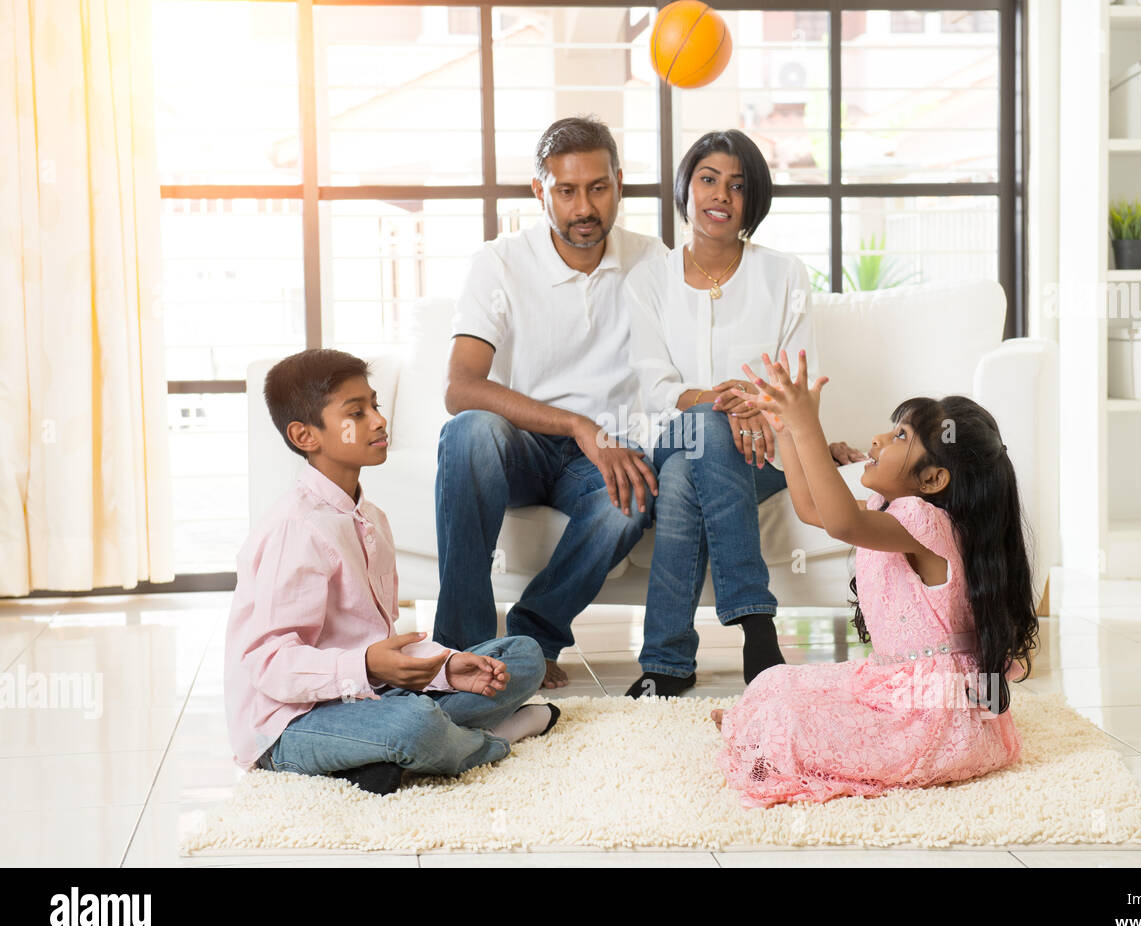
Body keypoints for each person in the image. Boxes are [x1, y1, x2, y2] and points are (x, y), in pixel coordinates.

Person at [711, 350, 1039, 808]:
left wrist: (809, 426)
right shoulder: (901, 515)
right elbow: (814, 511)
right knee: (772, 683)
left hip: (930, 714)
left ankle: (775, 740)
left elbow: (842, 523)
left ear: (932, 479)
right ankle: (767, 730)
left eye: (900, 435)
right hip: (896, 685)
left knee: (788, 717)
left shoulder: (927, 524)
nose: (879, 438)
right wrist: (787, 431)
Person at [226, 349, 558, 797]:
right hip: (290, 726)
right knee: (414, 723)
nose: (379, 422)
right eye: (356, 413)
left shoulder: (372, 519)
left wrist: (444, 667)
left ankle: (378, 757)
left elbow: (382, 649)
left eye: (375, 407)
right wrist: (365, 666)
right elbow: (270, 665)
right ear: (306, 435)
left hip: (369, 696)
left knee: (521, 656)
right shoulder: (295, 529)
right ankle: (495, 740)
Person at [434, 116, 668, 690]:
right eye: (566, 191)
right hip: (521, 445)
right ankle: (462, 650)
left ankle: (530, 641)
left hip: (604, 450)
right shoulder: (501, 262)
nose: (583, 206)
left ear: (619, 183)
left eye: (597, 188)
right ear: (540, 191)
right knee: (468, 432)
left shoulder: (652, 261)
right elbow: (461, 387)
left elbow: (692, 367)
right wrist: (576, 423)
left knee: (630, 497)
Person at [623, 130, 816, 697]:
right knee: (704, 433)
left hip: (766, 452)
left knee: (689, 472)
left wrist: (754, 404)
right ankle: (758, 629)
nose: (721, 195)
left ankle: (665, 663)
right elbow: (656, 385)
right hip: (675, 433)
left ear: (752, 201)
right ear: (686, 187)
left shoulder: (785, 276)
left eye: (737, 185)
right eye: (708, 178)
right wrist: (721, 403)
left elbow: (799, 380)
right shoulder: (648, 281)